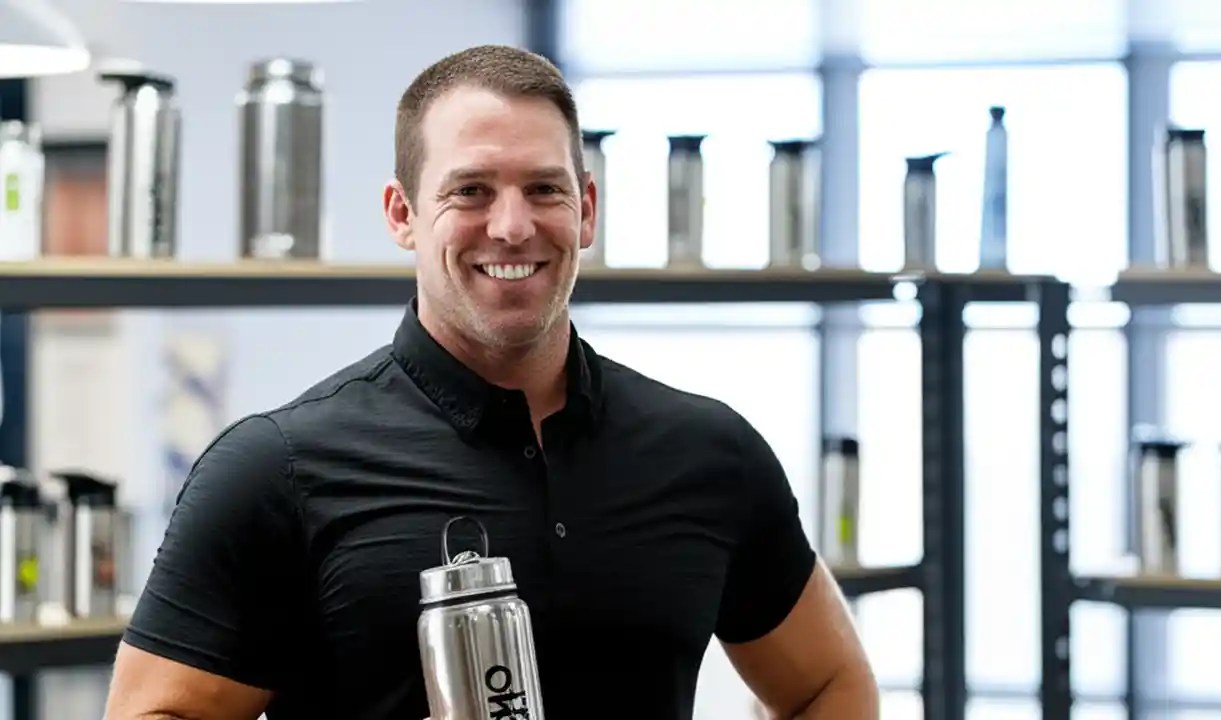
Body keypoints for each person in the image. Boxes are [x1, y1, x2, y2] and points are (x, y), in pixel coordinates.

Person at [104, 44, 879, 719]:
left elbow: (831, 686)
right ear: (402, 213)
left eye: (544, 189)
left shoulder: (710, 455)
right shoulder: (277, 468)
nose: (512, 226)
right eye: (470, 191)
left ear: (587, 211)